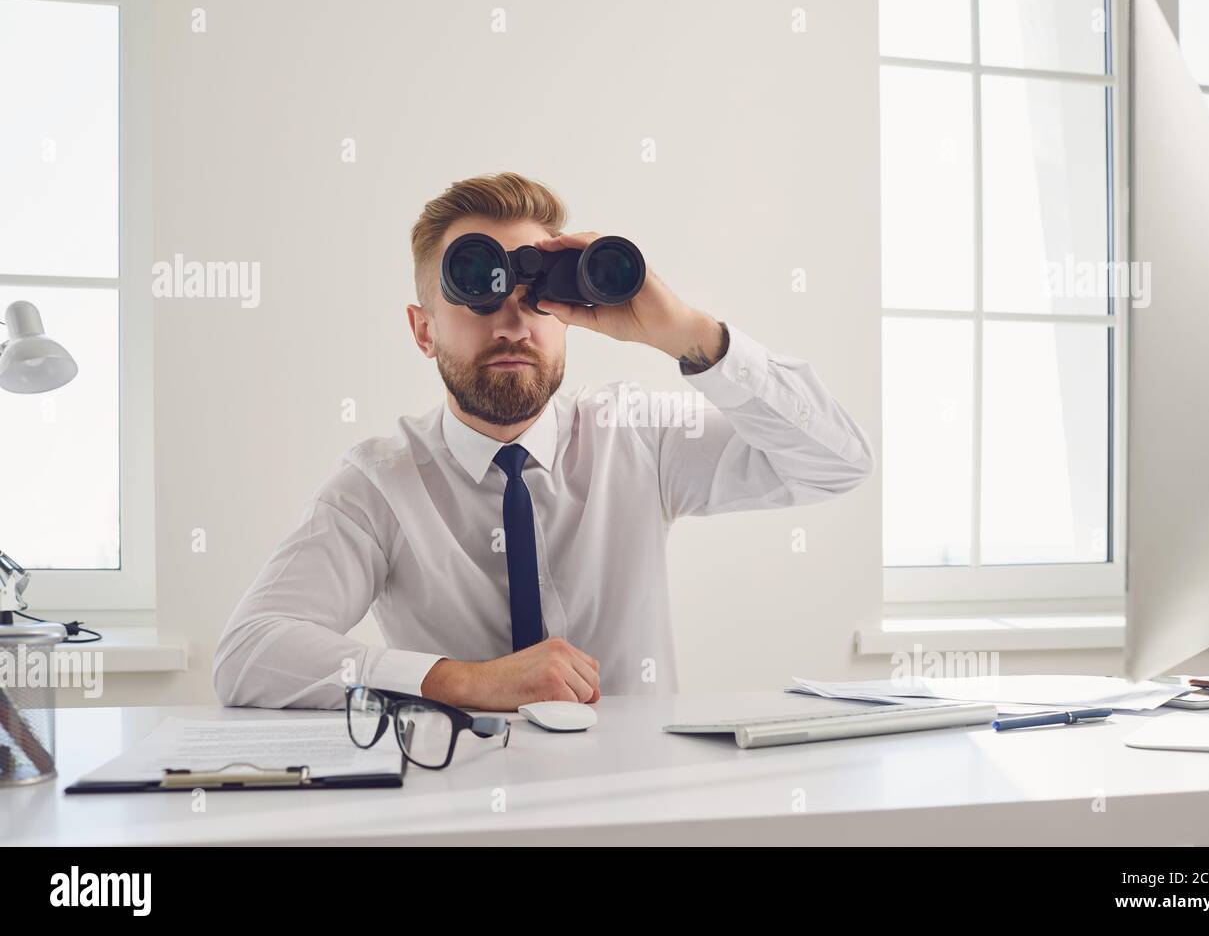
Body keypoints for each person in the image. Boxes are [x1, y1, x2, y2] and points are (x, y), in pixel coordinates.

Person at [213, 172, 874, 711]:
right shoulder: (381, 484)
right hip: (460, 807)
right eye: (478, 297)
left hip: (639, 810)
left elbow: (836, 464)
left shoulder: (635, 435)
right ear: (423, 331)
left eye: (538, 300)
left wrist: (691, 335)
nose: (512, 326)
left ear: (570, 319)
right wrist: (466, 682)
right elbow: (248, 655)